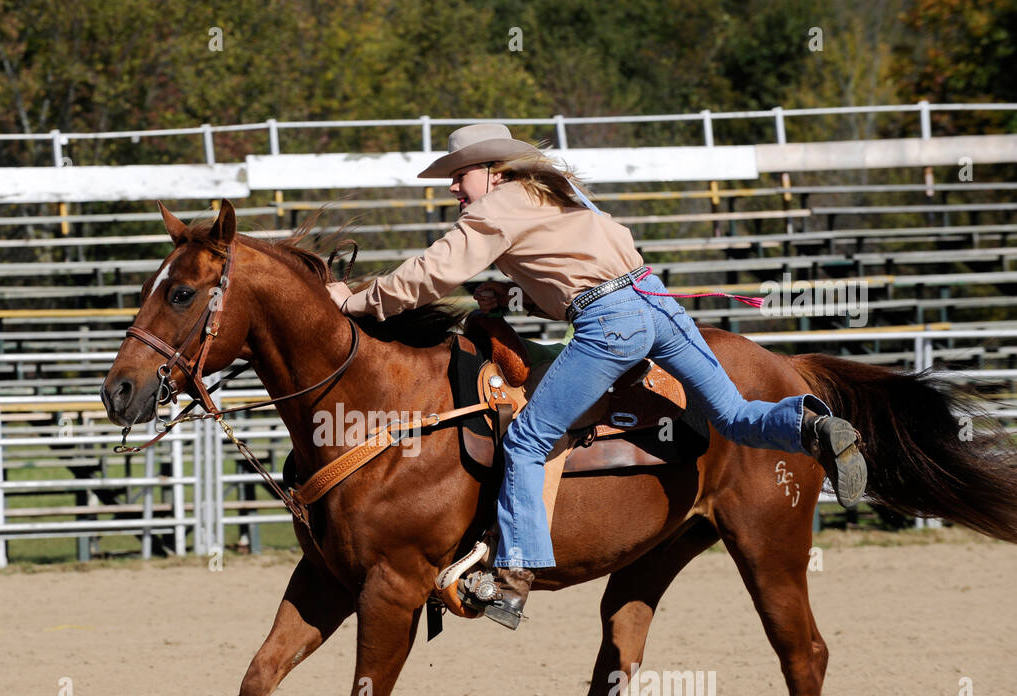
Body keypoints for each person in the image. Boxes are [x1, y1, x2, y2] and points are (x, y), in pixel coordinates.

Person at [326, 123, 867, 629]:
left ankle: (513, 579)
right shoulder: (555, 195)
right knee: (734, 415)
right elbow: (578, 274)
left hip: (612, 323)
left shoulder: (496, 208)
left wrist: (356, 300)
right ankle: (814, 425)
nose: (453, 188)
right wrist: (513, 296)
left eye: (459, 175)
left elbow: (431, 274)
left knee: (529, 438)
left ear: (491, 171)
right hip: (657, 304)